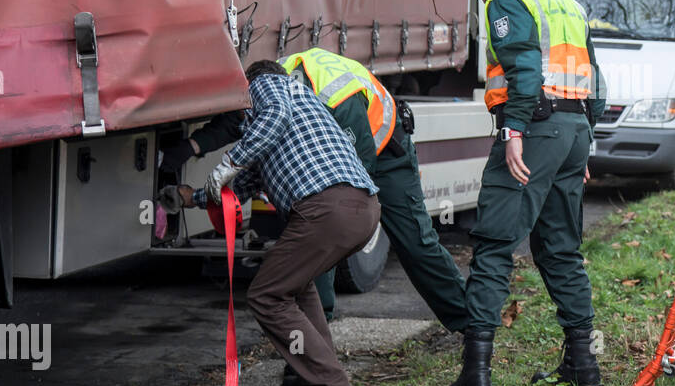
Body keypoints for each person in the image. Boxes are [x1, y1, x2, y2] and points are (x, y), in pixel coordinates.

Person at [162, 49, 468, 342]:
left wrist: (230, 165)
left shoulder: (333, 95)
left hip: (386, 151)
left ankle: (471, 325)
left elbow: (348, 182)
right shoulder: (275, 82)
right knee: (315, 230)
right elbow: (239, 121)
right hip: (346, 150)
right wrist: (190, 148)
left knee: (409, 240)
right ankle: (315, 343)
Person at [447, 0, 605, 386]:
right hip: (573, 130)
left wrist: (512, 132)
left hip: (534, 129)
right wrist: (584, 144)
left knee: (494, 242)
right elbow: (594, 78)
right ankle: (583, 363)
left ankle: (475, 375)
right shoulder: (567, 3)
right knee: (560, 248)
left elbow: (524, 67)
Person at [176, 60, 379, 386]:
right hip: (361, 208)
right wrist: (192, 196)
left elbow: (272, 118)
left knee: (267, 294)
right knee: (297, 287)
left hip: (326, 207)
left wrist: (227, 161)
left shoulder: (272, 85)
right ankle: (311, 372)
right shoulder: (281, 130)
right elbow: (238, 187)